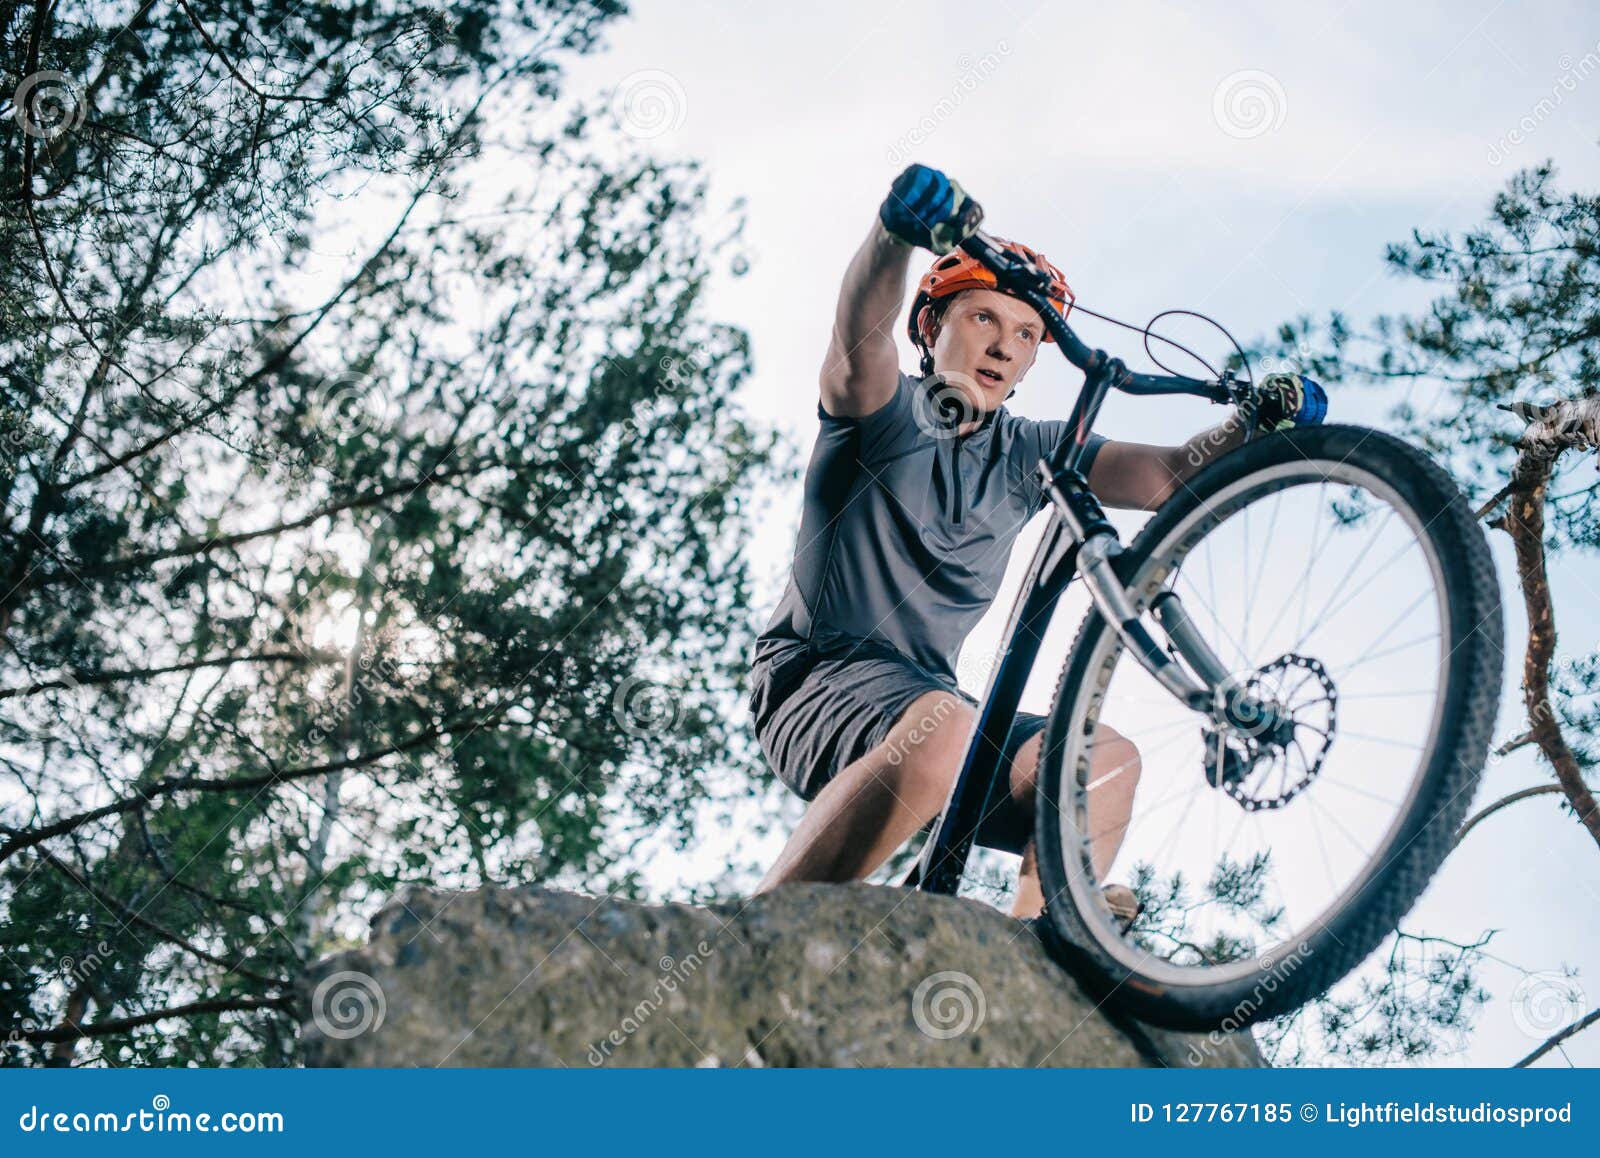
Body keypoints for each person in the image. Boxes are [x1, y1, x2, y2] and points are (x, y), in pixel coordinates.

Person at [748, 164, 1327, 922]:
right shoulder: (883, 410)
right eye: (983, 318)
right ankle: (754, 938)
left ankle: (1035, 946)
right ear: (934, 327)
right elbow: (858, 336)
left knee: (1104, 763)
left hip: (934, 705)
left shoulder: (1031, 452)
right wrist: (894, 234)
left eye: (1026, 335)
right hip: (816, 683)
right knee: (942, 728)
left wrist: (1248, 424)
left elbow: (1164, 477)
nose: (1004, 345)